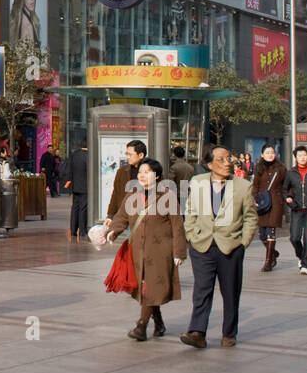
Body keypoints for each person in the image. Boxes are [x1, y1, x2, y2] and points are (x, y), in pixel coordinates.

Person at [93, 158, 185, 341]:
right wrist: (112, 233)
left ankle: (141, 326)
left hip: (160, 251)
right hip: (138, 251)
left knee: (150, 287)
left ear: (157, 175)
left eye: (147, 172)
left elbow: (177, 225)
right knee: (147, 288)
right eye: (141, 172)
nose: (142, 175)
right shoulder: (132, 194)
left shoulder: (167, 196)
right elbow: (121, 217)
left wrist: (179, 252)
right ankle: (158, 323)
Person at [180, 145, 258, 348]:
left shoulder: (242, 186)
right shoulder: (197, 182)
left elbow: (250, 217)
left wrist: (243, 242)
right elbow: (190, 211)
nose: (227, 163)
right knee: (202, 290)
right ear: (209, 164)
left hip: (231, 247)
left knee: (230, 292)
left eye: (229, 159)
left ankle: (229, 333)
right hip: (202, 245)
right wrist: (191, 234)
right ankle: (197, 331)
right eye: (222, 160)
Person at [283, 145, 307, 274]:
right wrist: (289, 200)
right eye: (299, 156)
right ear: (295, 158)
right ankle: (301, 256)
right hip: (297, 209)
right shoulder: (291, 173)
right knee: (294, 237)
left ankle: (306, 265)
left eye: (304, 155)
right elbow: (284, 190)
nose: (302, 158)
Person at [251, 144, 286, 272]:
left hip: (276, 202)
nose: (270, 155)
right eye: (267, 152)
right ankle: (273, 253)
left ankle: (268, 262)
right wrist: (254, 198)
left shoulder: (281, 168)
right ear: (262, 155)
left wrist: (285, 197)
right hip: (262, 202)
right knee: (262, 235)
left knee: (271, 231)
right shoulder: (258, 168)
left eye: (272, 152)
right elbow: (255, 185)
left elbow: (286, 185)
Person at [104, 140, 147, 227]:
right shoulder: (122, 172)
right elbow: (115, 194)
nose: (127, 157)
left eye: (130, 154)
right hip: (126, 219)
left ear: (141, 155)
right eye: (126, 154)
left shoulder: (152, 171)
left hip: (145, 220)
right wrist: (110, 216)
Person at [64, 141, 89, 242]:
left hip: (75, 185)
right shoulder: (88, 156)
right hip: (85, 185)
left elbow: (69, 169)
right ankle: (83, 230)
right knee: (83, 208)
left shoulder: (74, 154)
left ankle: (73, 230)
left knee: (75, 207)